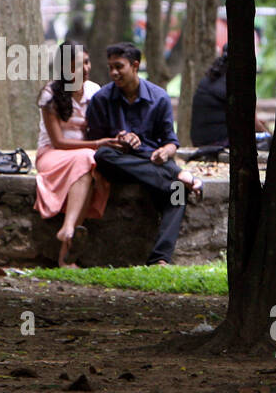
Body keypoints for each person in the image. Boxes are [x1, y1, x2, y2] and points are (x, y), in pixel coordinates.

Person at [85, 42, 202, 265]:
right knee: (103, 157)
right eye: (110, 67)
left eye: (119, 67)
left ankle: (160, 259)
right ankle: (176, 175)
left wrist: (164, 153)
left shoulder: (159, 97)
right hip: (121, 165)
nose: (114, 73)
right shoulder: (102, 99)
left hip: (153, 164)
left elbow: (170, 143)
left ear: (135, 65)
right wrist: (119, 140)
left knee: (177, 193)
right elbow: (94, 145)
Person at [34, 42, 120, 267]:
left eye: (87, 62)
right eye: (78, 65)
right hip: (52, 155)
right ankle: (69, 231)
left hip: (84, 159)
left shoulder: (94, 91)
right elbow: (58, 142)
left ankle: (67, 245)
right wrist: (97, 144)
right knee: (86, 159)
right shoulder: (50, 94)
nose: (86, 68)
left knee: (89, 169)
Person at [189, 46, 271, 149]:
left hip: (199, 140)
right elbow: (252, 122)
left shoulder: (210, 78)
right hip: (220, 141)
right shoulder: (235, 83)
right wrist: (269, 136)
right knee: (267, 141)